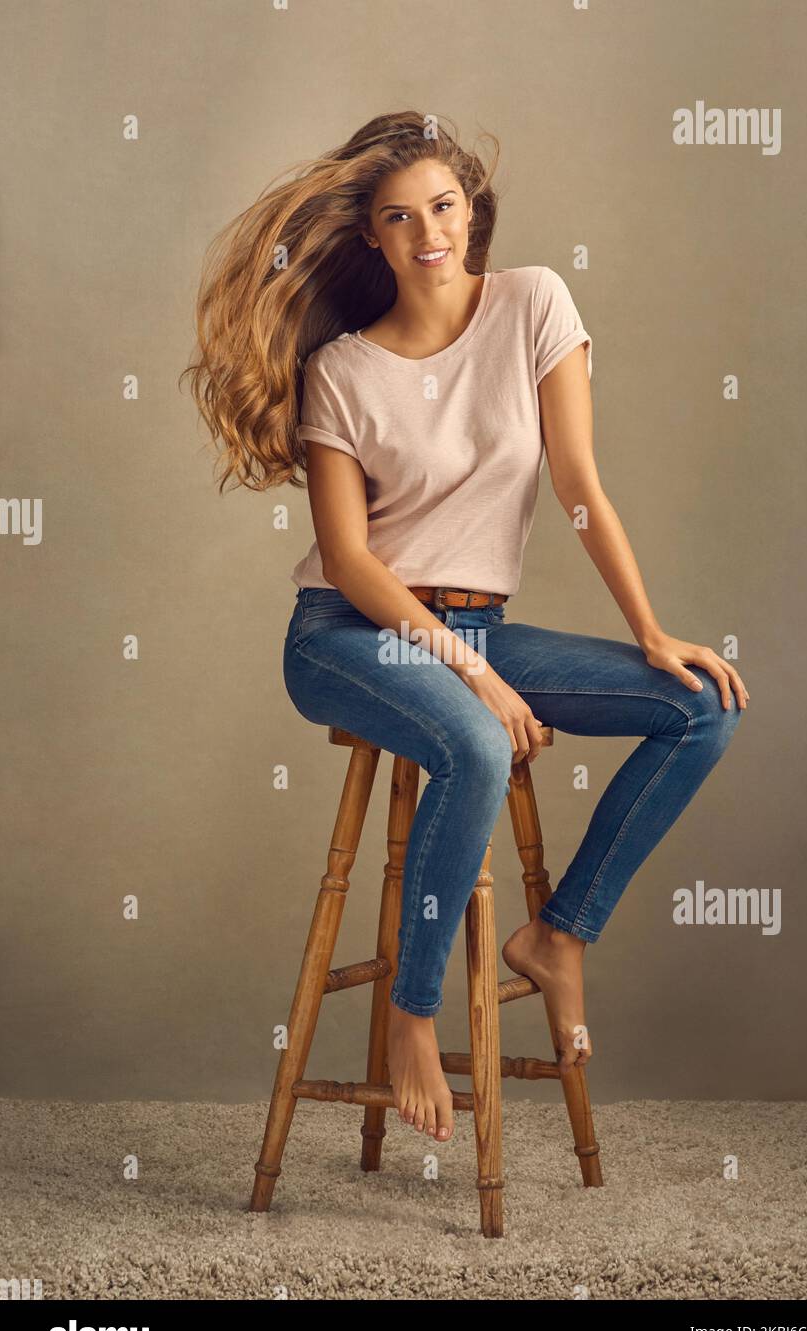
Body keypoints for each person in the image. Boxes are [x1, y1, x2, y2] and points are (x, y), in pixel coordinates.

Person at [181, 110, 747, 1149]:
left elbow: (577, 484)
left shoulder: (534, 302)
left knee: (700, 705)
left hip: (479, 628)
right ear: (375, 240)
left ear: (471, 213)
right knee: (478, 741)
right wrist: (473, 680)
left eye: (442, 206)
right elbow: (351, 561)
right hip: (348, 634)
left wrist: (653, 632)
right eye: (400, 218)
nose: (427, 231)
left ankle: (559, 935)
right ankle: (412, 1015)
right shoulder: (342, 371)